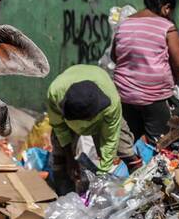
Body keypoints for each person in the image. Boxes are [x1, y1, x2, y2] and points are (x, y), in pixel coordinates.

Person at [45, 64, 138, 194]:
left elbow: (110, 140)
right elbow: (60, 128)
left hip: (104, 109)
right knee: (60, 157)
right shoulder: (55, 95)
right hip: (69, 108)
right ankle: (63, 195)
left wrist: (102, 174)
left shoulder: (110, 102)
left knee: (124, 148)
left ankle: (139, 185)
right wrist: (70, 159)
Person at [111, 0, 179, 143]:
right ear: (166, 8)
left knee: (129, 141)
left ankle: (132, 166)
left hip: (125, 95)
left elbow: (114, 56)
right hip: (154, 96)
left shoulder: (124, 24)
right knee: (160, 143)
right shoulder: (166, 27)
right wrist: (174, 79)